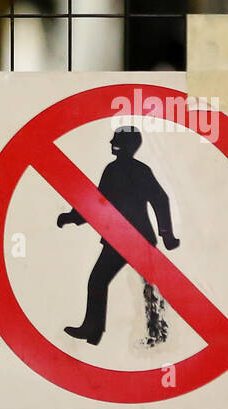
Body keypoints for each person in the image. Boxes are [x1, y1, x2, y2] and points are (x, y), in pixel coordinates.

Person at [57, 125, 179, 346]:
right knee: (137, 284)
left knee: (133, 284)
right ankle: (96, 331)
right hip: (127, 238)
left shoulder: (126, 170)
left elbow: (159, 200)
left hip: (131, 239)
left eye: (116, 140)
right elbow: (97, 202)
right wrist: (72, 217)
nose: (111, 143)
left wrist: (167, 235)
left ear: (128, 145)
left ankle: (153, 334)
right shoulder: (120, 170)